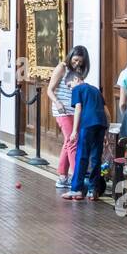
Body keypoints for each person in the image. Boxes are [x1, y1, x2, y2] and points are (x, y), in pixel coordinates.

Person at [47, 46, 89, 189]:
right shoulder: (62, 67)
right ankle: (76, 176)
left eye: (81, 62)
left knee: (68, 140)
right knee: (73, 140)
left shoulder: (77, 71)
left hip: (74, 110)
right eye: (75, 60)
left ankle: (62, 177)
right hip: (62, 109)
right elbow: (49, 90)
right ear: (70, 56)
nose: (77, 64)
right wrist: (57, 102)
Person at [62, 73, 109, 201]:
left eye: (70, 85)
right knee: (96, 158)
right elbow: (106, 110)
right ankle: (93, 190)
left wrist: (74, 130)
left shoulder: (78, 89)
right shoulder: (95, 90)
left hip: (87, 123)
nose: (71, 89)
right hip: (101, 123)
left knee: (82, 156)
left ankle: (76, 189)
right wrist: (106, 131)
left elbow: (78, 108)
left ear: (76, 79)